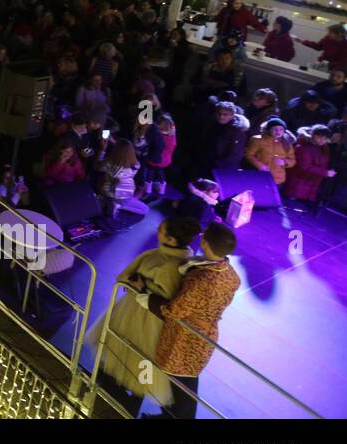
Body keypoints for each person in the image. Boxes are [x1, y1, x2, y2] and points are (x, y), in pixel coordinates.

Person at [86, 216, 201, 417]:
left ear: (172, 240)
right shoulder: (181, 262)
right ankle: (126, 405)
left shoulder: (166, 265)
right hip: (141, 316)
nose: (157, 231)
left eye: (161, 230)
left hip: (142, 319)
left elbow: (161, 294)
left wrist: (141, 287)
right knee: (135, 367)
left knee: (125, 360)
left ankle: (120, 406)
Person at [140, 222, 241, 419]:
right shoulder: (231, 275)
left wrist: (143, 296)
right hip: (206, 337)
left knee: (181, 387)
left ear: (204, 242)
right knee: (185, 383)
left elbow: (173, 310)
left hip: (185, 339)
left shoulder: (201, 280)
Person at [285, 125, 335, 206]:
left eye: (325, 138)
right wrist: (325, 172)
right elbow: (305, 167)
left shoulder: (324, 147)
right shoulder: (304, 146)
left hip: (310, 186)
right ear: (312, 135)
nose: (322, 140)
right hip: (297, 185)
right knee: (292, 206)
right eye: (319, 137)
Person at [244, 117, 296, 188]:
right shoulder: (257, 140)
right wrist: (260, 166)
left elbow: (292, 160)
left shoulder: (286, 142)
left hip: (277, 178)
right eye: (275, 129)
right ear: (269, 129)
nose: (278, 131)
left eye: (281, 129)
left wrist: (285, 162)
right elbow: (249, 155)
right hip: (259, 175)